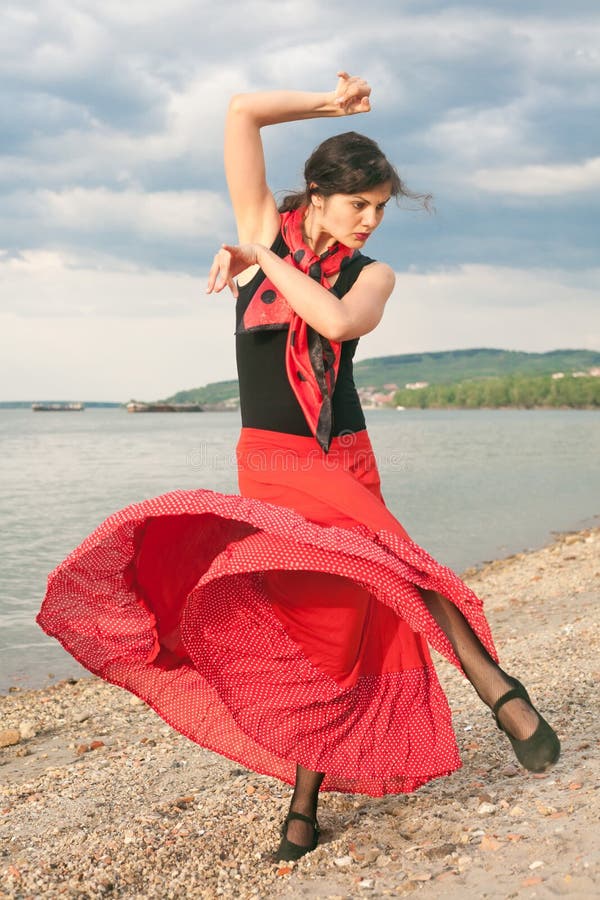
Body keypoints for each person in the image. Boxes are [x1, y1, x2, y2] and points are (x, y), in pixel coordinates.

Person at [38, 73, 560, 865]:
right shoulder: (262, 232)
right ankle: (315, 791)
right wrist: (327, 106)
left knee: (390, 573)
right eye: (360, 204)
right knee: (323, 635)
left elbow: (334, 319)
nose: (371, 221)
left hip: (340, 458)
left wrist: (259, 259)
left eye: (382, 207)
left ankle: (495, 695)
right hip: (270, 468)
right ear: (316, 194)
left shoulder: (369, 275)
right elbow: (242, 111)